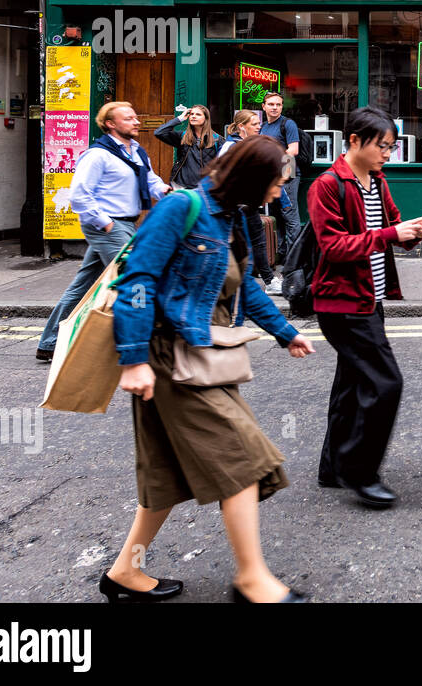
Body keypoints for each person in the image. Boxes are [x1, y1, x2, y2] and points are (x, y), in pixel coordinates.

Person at [103, 135, 316, 603]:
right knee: (241, 459)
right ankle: (251, 579)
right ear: (253, 179)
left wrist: (285, 332)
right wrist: (134, 359)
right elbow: (136, 280)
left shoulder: (233, 218)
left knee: (166, 475)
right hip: (168, 359)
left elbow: (246, 286)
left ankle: (124, 571)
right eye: (277, 185)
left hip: (203, 359)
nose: (280, 193)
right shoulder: (181, 209)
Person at [308, 107, 422, 508]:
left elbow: (390, 228)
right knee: (385, 383)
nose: (387, 154)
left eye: (391, 147)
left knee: (351, 384)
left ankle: (332, 467)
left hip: (369, 298)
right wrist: (390, 233)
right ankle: (360, 472)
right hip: (341, 302)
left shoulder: (376, 180)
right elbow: (334, 247)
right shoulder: (326, 186)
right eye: (382, 146)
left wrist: (410, 233)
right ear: (355, 141)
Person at [36, 102, 168, 363]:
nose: (137, 121)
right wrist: (106, 224)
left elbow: (150, 181)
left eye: (136, 116)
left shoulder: (137, 152)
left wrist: (167, 192)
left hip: (126, 223)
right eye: (129, 118)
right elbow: (79, 195)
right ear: (111, 124)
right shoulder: (97, 155)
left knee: (82, 286)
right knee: (136, 278)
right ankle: (142, 342)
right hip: (109, 225)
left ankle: (49, 343)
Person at [222, 110, 282, 289]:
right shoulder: (230, 146)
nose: (259, 126)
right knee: (235, 246)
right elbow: (220, 174)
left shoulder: (252, 144)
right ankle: (234, 284)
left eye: (258, 123)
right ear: (242, 126)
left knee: (258, 242)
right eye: (254, 124)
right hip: (235, 206)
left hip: (250, 204)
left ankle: (268, 281)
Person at [260, 92, 302, 261]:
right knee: (276, 216)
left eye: (278, 104)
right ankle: (280, 253)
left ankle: (294, 258)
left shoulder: (287, 124)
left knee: (290, 216)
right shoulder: (263, 126)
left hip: (287, 175)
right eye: (271, 104)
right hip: (270, 177)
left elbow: (293, 150)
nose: (275, 108)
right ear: (263, 106)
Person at [154, 104, 223, 189]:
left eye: (198, 114)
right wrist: (180, 118)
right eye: (192, 114)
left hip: (205, 188)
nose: (193, 116)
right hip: (181, 186)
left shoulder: (217, 139)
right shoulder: (182, 136)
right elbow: (159, 132)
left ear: (206, 118)